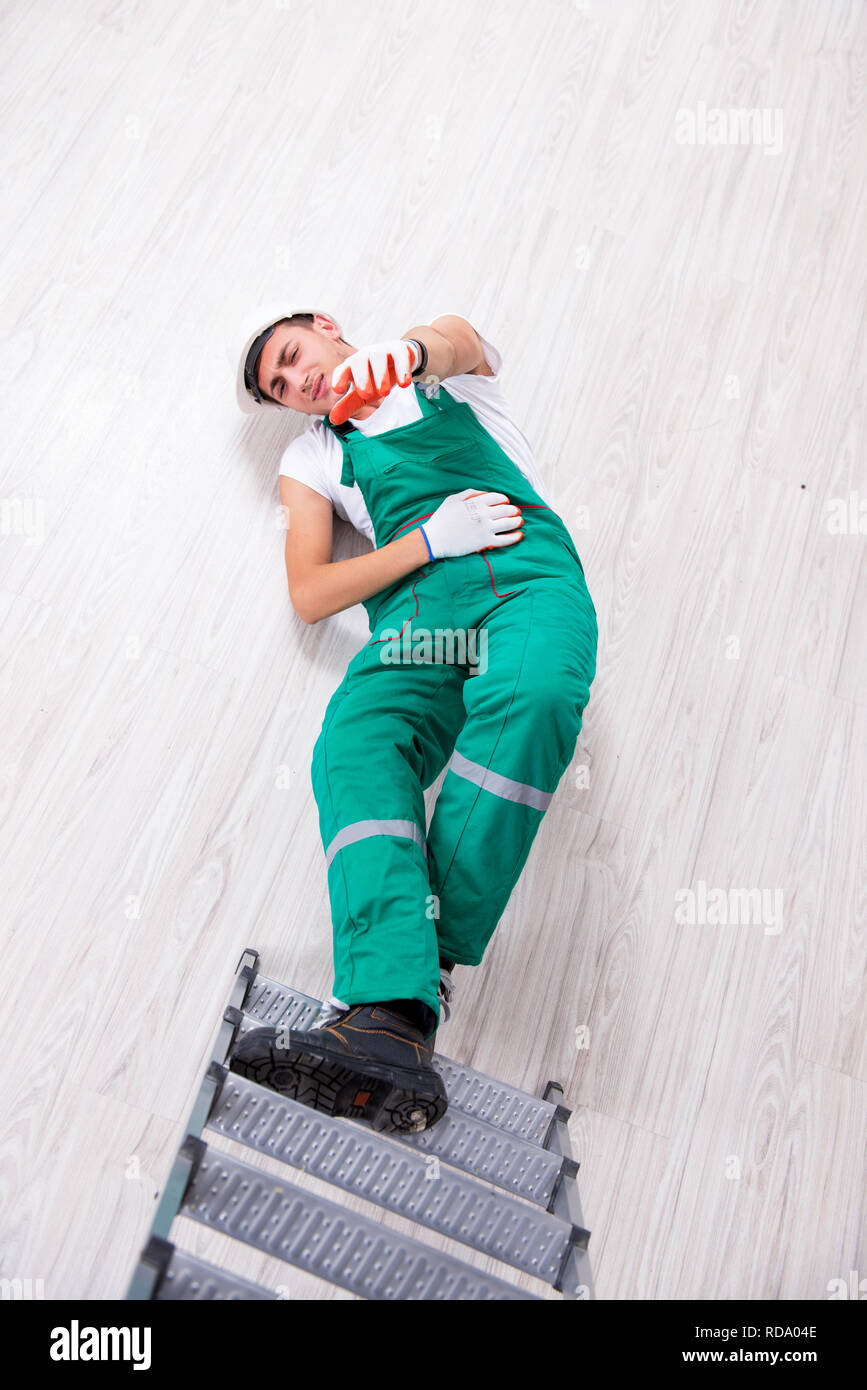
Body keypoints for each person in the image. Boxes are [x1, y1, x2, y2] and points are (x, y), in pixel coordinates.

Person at [228, 308, 598, 1135]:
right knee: (354, 741)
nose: (299, 384)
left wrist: (407, 355)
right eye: (282, 389)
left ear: (325, 326)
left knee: (532, 702)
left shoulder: (441, 373)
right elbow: (311, 594)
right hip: (423, 612)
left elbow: (463, 335)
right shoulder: (314, 454)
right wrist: (427, 541)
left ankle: (395, 996)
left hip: (526, 577)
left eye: (293, 358)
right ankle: (394, 1010)